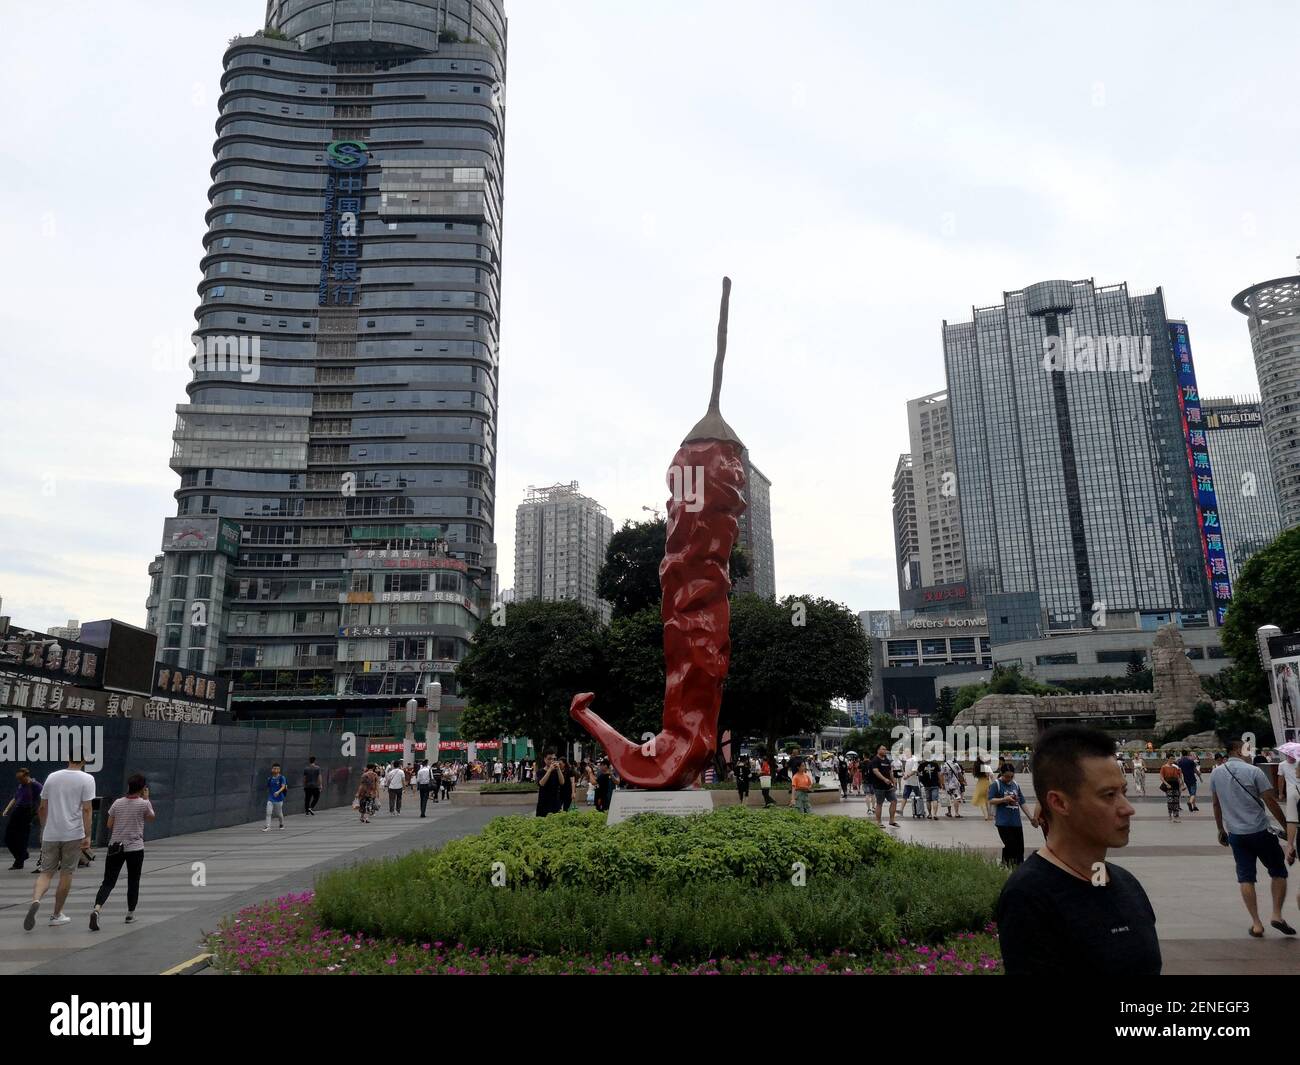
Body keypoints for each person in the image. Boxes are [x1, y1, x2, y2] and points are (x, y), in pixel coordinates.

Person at [996, 726, 1160, 976]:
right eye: (1108, 795)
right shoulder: (1029, 897)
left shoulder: (1127, 884)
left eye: (1123, 792)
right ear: (1059, 802)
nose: (1127, 808)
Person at [1210, 738, 1296, 938]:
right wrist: (1286, 826)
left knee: (1246, 877)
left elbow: (1216, 804)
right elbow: (1270, 802)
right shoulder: (1254, 771)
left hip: (1237, 835)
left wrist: (1220, 829)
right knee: (1278, 871)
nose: (1250, 753)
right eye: (1248, 749)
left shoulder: (1216, 773)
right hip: (1260, 830)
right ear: (1239, 751)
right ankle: (1276, 915)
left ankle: (1256, 923)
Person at [24, 756, 95, 931]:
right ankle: (57, 914)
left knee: (46, 873)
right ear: (84, 760)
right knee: (66, 873)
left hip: (51, 832)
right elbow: (87, 809)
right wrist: (88, 835)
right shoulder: (87, 779)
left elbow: (42, 807)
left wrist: (43, 829)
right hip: (73, 833)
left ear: (68, 758)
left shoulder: (52, 777)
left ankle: (36, 899)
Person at [89, 773, 156, 931]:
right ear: (142, 788)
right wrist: (147, 799)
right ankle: (130, 913)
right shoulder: (143, 804)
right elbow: (151, 817)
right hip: (135, 848)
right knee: (133, 880)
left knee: (108, 882)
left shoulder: (117, 803)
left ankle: (97, 909)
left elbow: (109, 824)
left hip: (115, 846)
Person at [988, 764, 1028, 867]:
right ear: (1001, 774)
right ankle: (1008, 865)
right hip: (1003, 821)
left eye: (1011, 776)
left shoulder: (1015, 784)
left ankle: (1014, 866)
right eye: (1006, 776)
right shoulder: (996, 784)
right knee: (1010, 845)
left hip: (1016, 821)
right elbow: (990, 800)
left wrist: (1031, 817)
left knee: (1019, 848)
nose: (1009, 779)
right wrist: (1004, 799)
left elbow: (1022, 801)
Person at [3, 768, 42, 870]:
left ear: (26, 776)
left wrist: (40, 813)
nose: (19, 780)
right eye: (18, 779)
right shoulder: (21, 785)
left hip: (27, 813)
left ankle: (19, 862)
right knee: (8, 838)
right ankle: (23, 855)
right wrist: (7, 809)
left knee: (22, 838)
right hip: (17, 811)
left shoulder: (35, 785)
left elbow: (43, 798)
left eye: (20, 778)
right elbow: (15, 798)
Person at [867, 745, 898, 828]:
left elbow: (890, 771)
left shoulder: (887, 760)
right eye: (883, 749)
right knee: (879, 803)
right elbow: (875, 771)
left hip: (888, 785)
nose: (885, 750)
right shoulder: (875, 760)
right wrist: (884, 779)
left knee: (894, 801)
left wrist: (893, 780)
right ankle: (878, 821)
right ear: (878, 750)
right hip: (878, 786)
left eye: (885, 749)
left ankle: (892, 820)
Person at [536, 752, 565, 817]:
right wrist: (549, 770)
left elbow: (562, 782)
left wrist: (558, 769)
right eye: (549, 759)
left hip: (555, 803)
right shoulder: (540, 772)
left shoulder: (556, 771)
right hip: (544, 803)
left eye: (554, 759)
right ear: (545, 759)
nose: (552, 761)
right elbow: (541, 783)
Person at [264, 762, 288, 831]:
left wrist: (278, 792)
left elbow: (283, 786)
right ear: (272, 769)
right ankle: (267, 826)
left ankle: (281, 824)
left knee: (279, 814)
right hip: (271, 798)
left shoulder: (282, 777)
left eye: (277, 769)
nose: (275, 770)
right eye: (274, 768)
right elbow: (268, 787)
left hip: (279, 799)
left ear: (279, 770)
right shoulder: (270, 778)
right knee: (268, 812)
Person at [901, 750, 925, 818]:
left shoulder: (914, 760)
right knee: (904, 796)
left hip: (915, 783)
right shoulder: (907, 760)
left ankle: (921, 810)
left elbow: (914, 770)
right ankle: (901, 810)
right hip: (908, 782)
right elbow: (906, 770)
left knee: (919, 797)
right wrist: (904, 775)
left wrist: (907, 776)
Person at [940, 752, 965, 818]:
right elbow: (960, 774)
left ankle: (949, 812)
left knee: (948, 798)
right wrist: (962, 781)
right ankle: (956, 813)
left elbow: (941, 775)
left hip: (947, 784)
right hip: (955, 784)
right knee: (956, 798)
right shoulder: (956, 765)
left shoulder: (944, 765)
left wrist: (942, 784)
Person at [1177, 749, 1202, 813]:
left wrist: (1181, 782)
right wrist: (1199, 775)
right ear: (1187, 754)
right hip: (1192, 778)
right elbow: (1195, 770)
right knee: (1193, 793)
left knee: (1191, 793)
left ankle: (1194, 806)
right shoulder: (1190, 761)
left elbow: (1179, 772)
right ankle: (1190, 802)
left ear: (1181, 754)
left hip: (1186, 779)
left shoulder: (1180, 762)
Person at [1159, 755, 1182, 822]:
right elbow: (1161, 777)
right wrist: (1166, 784)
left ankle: (1176, 815)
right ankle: (1170, 814)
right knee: (1170, 800)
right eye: (1171, 759)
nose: (1173, 760)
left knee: (1176, 800)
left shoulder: (1175, 767)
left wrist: (1181, 784)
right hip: (1168, 785)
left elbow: (1179, 776)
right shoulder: (1164, 767)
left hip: (1175, 785)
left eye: (1173, 759)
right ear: (1167, 759)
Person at [972, 754, 992, 821]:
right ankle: (989, 815)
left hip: (979, 784)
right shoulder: (986, 767)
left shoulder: (975, 767)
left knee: (982, 801)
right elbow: (989, 776)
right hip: (986, 783)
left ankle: (986, 816)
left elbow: (975, 776)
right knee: (988, 800)